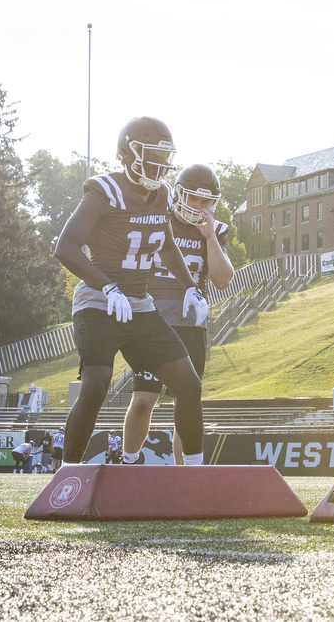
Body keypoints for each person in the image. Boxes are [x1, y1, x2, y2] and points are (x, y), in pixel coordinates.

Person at [54, 118, 208, 466]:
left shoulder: (162, 194)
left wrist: (191, 288)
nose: (161, 163)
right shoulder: (103, 191)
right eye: (153, 154)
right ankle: (68, 474)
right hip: (99, 302)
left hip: (140, 305)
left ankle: (196, 476)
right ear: (131, 153)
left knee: (189, 385)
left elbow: (166, 244)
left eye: (164, 155)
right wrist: (106, 286)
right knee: (96, 386)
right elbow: (65, 247)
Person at [119, 163, 235, 465]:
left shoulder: (216, 230)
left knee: (187, 400)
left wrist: (209, 238)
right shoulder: (158, 218)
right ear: (180, 193)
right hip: (152, 320)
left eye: (206, 201)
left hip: (189, 325)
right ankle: (128, 462)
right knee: (144, 398)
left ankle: (186, 479)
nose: (200, 206)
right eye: (195, 199)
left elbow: (222, 280)